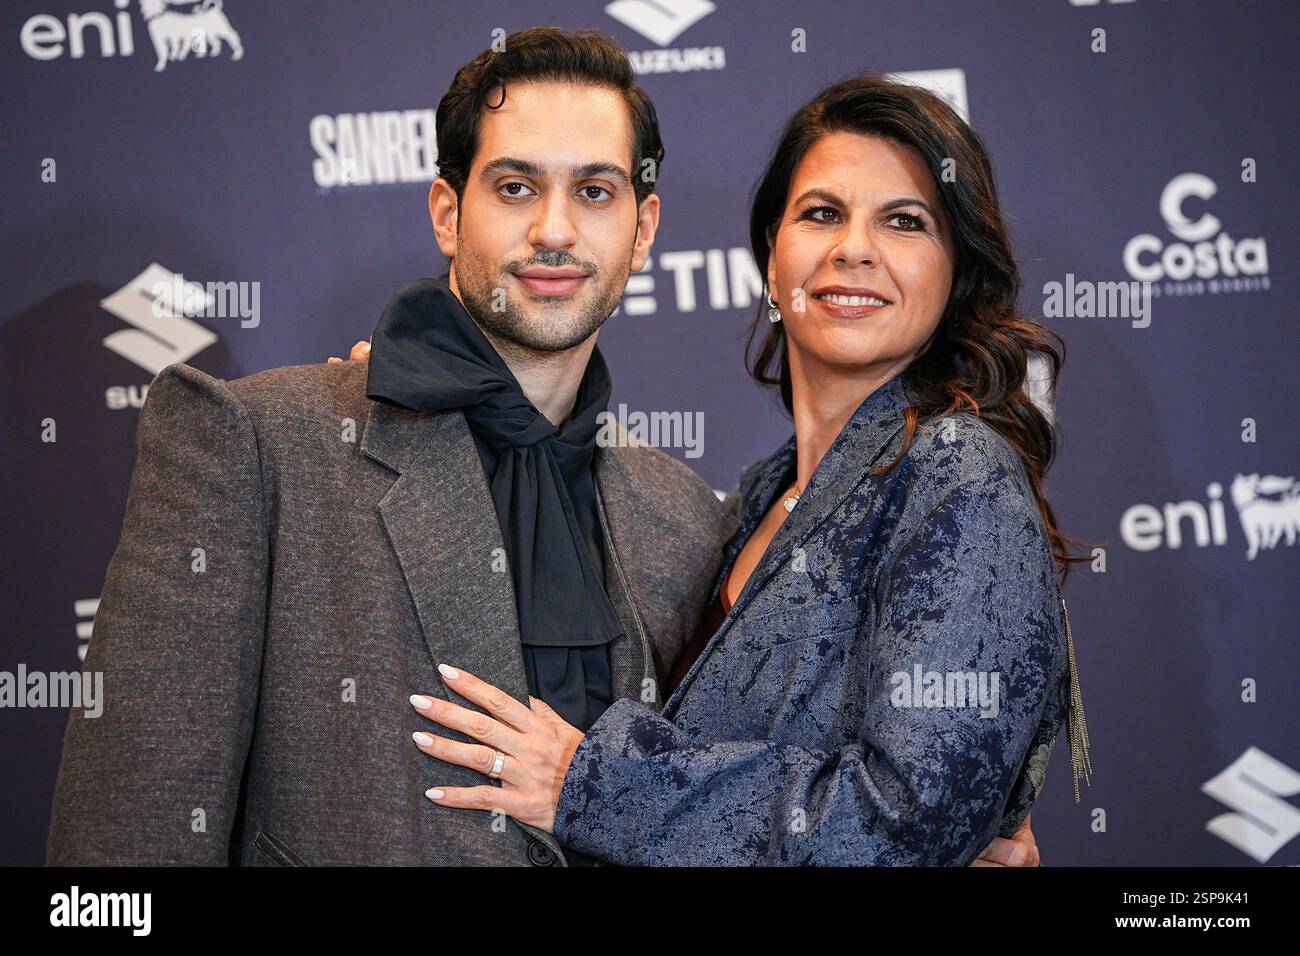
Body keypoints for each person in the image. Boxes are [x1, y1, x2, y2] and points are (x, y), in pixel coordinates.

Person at [49, 28, 1039, 867]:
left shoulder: (689, 520)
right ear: (448, 209)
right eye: (515, 186)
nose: (555, 231)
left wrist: (955, 837)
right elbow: (119, 855)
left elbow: (795, 795)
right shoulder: (262, 443)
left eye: (597, 192)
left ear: (644, 229)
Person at [397, 71, 1091, 865]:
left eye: (904, 222)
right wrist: (434, 393)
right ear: (772, 257)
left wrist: (591, 784)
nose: (853, 248)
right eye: (822, 213)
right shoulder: (757, 498)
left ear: (956, 270)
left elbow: (904, 824)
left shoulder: (959, 481)